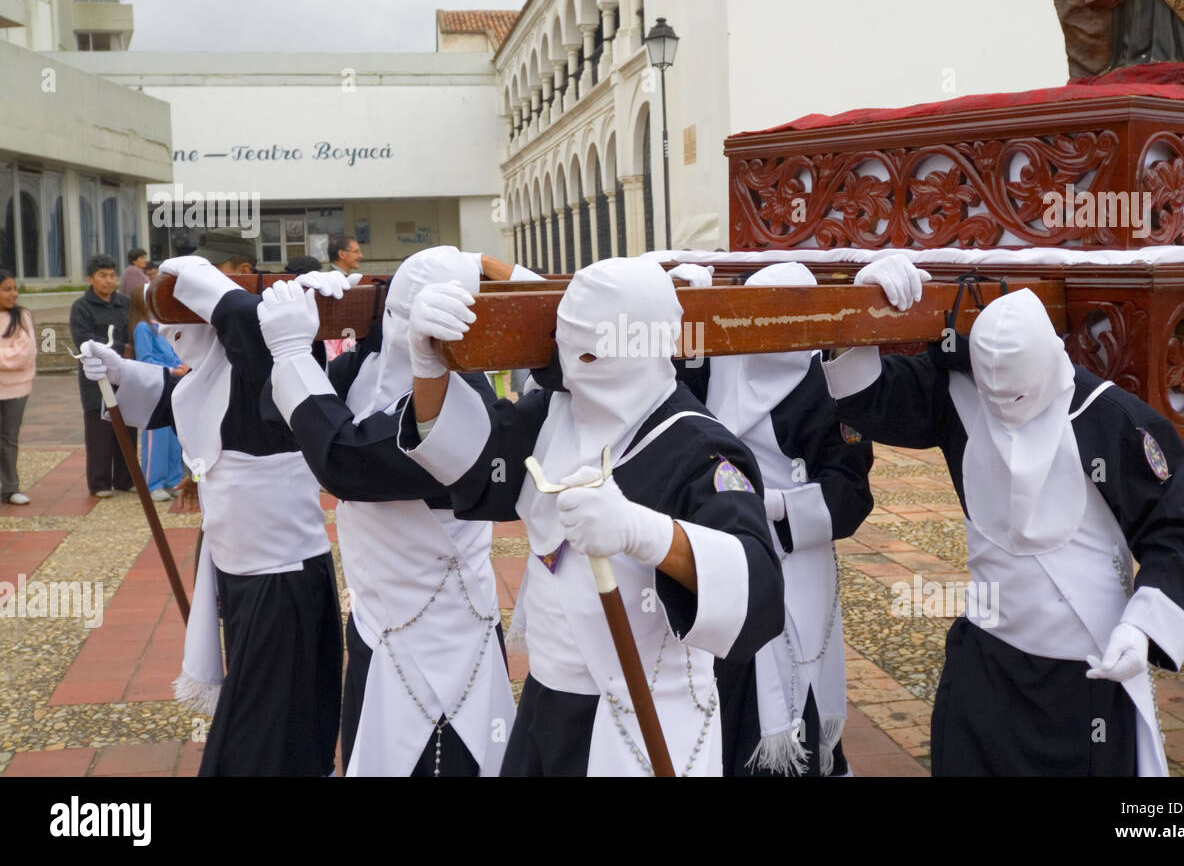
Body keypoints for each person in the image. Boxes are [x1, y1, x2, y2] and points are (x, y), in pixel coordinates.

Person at [826, 258, 1184, 776]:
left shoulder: (1114, 421)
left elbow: (1177, 536)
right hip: (987, 662)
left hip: (1088, 668)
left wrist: (1143, 627)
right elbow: (865, 396)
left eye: (1019, 397)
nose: (1005, 411)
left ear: (1054, 360)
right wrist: (864, 310)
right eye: (994, 395)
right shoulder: (961, 393)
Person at [399, 257, 785, 776]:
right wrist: (429, 369)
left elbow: (756, 582)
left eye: (594, 350)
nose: (577, 365)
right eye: (567, 344)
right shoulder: (555, 413)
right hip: (546, 703)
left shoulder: (700, 448)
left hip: (641, 719)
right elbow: (461, 459)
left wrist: (645, 533)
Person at [257, 247, 542, 776]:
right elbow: (281, 419)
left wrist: (293, 352)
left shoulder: (465, 404)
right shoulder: (366, 366)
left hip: (446, 646)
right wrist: (316, 328)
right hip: (376, 624)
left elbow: (344, 460)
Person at [77, 229, 343, 776]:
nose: (176, 341)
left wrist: (197, 278)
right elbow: (175, 399)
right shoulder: (214, 374)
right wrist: (119, 374)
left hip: (281, 576)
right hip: (239, 572)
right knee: (260, 706)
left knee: (264, 718)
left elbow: (245, 320)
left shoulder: (265, 368)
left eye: (183, 326)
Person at [668, 260, 874, 777]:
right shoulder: (713, 363)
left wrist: (778, 509)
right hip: (721, 557)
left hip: (798, 566)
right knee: (720, 686)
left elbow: (851, 491)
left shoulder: (830, 384)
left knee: (796, 689)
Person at [69, 254, 134, 498]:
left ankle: (125, 479)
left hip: (125, 374)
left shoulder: (125, 303)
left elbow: (136, 331)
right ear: (91, 279)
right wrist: (120, 348)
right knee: (99, 431)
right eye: (102, 276)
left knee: (127, 427)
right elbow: (83, 340)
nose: (109, 281)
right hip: (95, 377)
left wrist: (130, 351)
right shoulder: (82, 307)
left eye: (111, 275)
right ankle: (99, 483)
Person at [127, 287, 187, 502]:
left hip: (171, 386)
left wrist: (182, 364)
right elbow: (146, 359)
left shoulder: (161, 326)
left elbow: (173, 354)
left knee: (173, 437)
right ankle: (154, 483)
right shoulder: (143, 328)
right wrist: (173, 369)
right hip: (155, 388)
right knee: (156, 437)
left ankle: (173, 479)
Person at [0, 270, 35, 505]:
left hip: (15, 389)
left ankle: (10, 488)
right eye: (7, 289)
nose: (14, 294)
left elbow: (24, 353)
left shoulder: (22, 316)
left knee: (8, 439)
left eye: (14, 288)